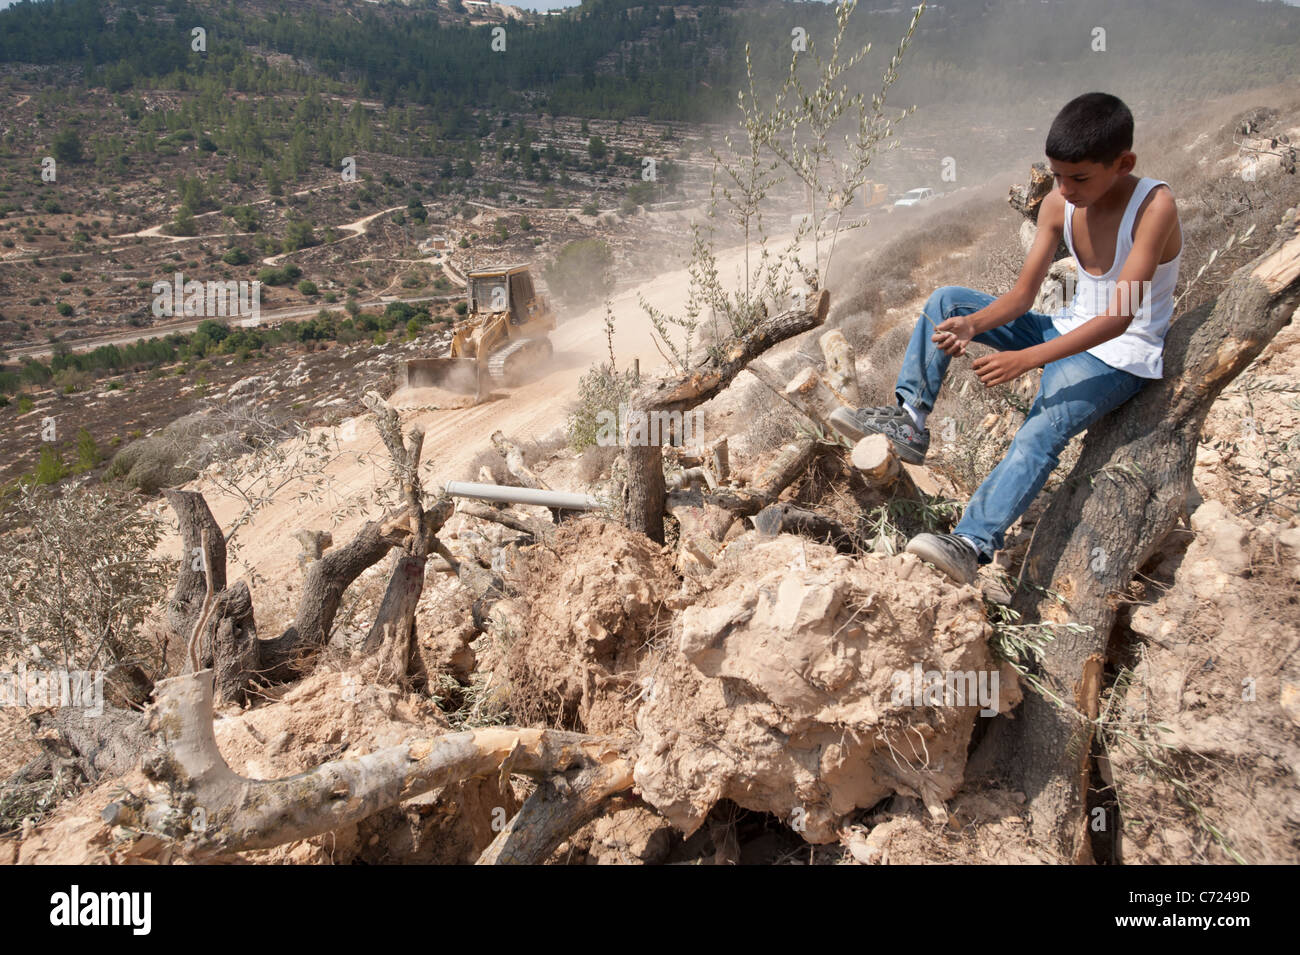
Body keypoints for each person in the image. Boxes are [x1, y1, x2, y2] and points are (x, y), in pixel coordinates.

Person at [829, 92, 1183, 586]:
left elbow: (1119, 320)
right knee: (948, 302)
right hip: (1062, 328)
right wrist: (974, 326)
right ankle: (910, 419)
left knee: (1042, 429)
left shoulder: (1154, 207)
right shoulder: (1060, 203)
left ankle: (971, 543)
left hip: (1120, 356)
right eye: (1057, 175)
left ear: (1124, 163)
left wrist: (1025, 359)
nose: (1065, 188)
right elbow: (1022, 294)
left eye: (1079, 177)